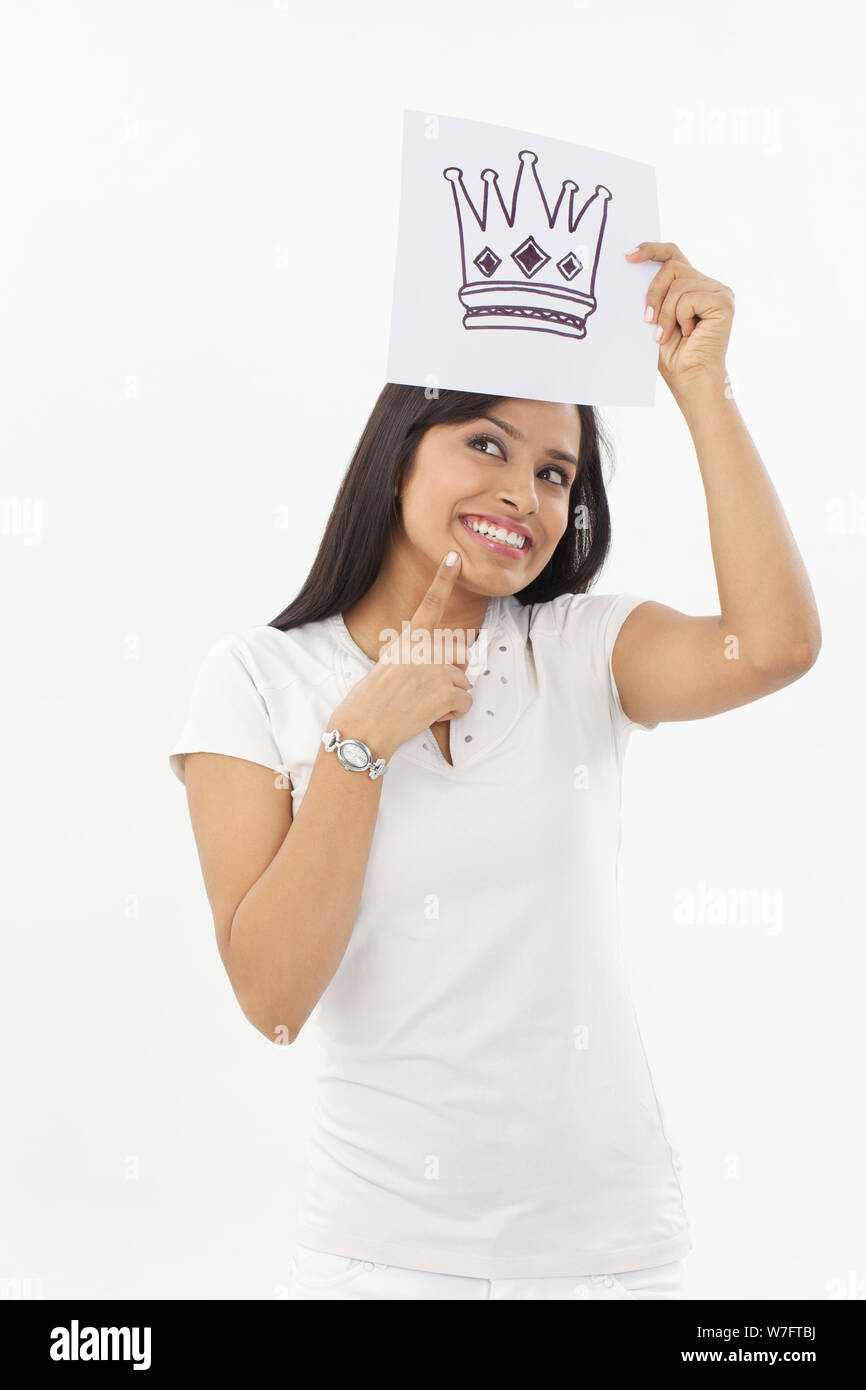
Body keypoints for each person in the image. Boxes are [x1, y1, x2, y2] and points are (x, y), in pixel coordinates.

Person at [168, 243, 821, 1300]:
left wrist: (702, 388)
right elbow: (273, 996)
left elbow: (777, 646)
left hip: (614, 1257)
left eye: (553, 473)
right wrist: (359, 741)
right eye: (487, 443)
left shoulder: (574, 651)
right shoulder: (258, 677)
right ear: (398, 451)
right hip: (376, 1261)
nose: (522, 492)